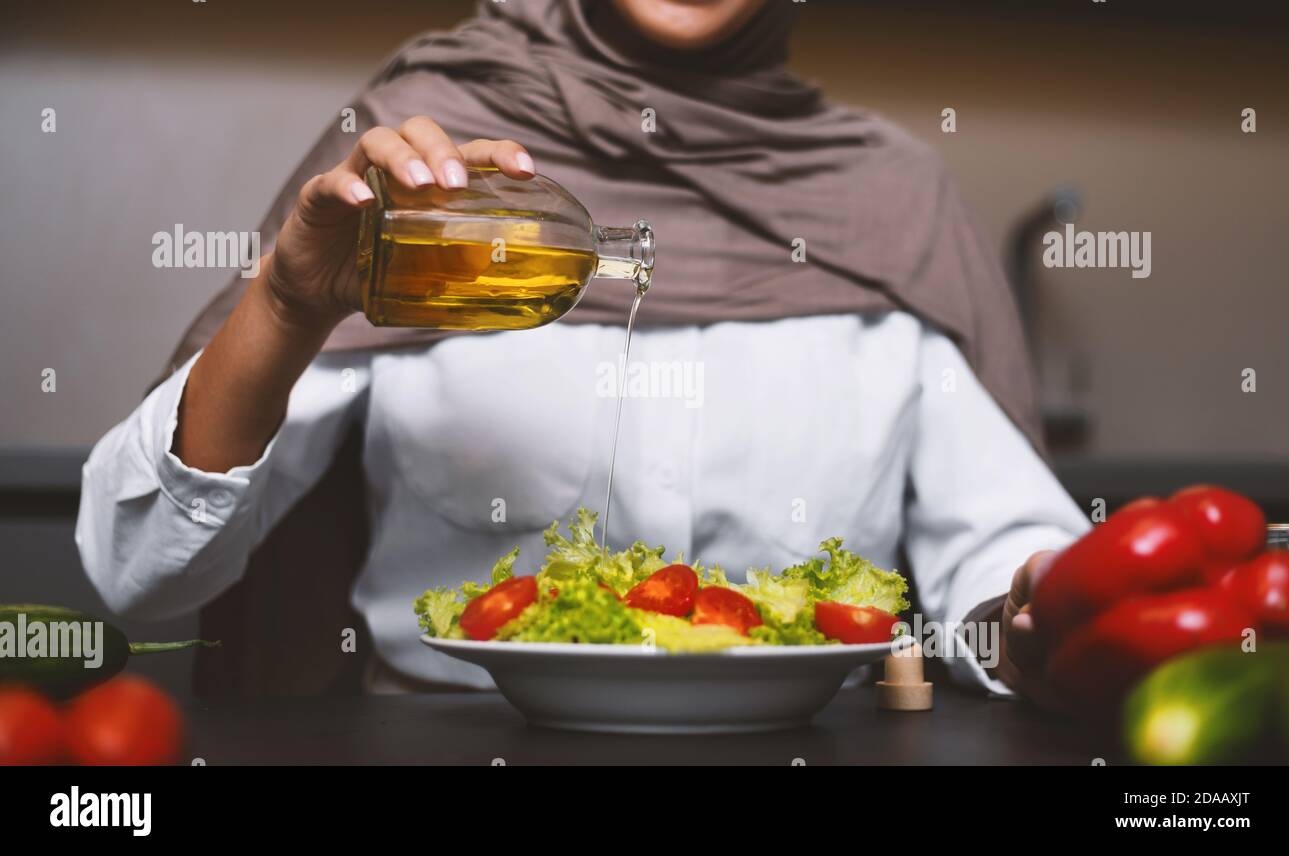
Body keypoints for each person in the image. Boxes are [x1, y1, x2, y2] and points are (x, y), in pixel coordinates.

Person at [75, 0, 1087, 702]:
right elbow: (144, 573)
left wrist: (1050, 605)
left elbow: (999, 572)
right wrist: (289, 306)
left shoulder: (892, 198)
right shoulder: (425, 181)